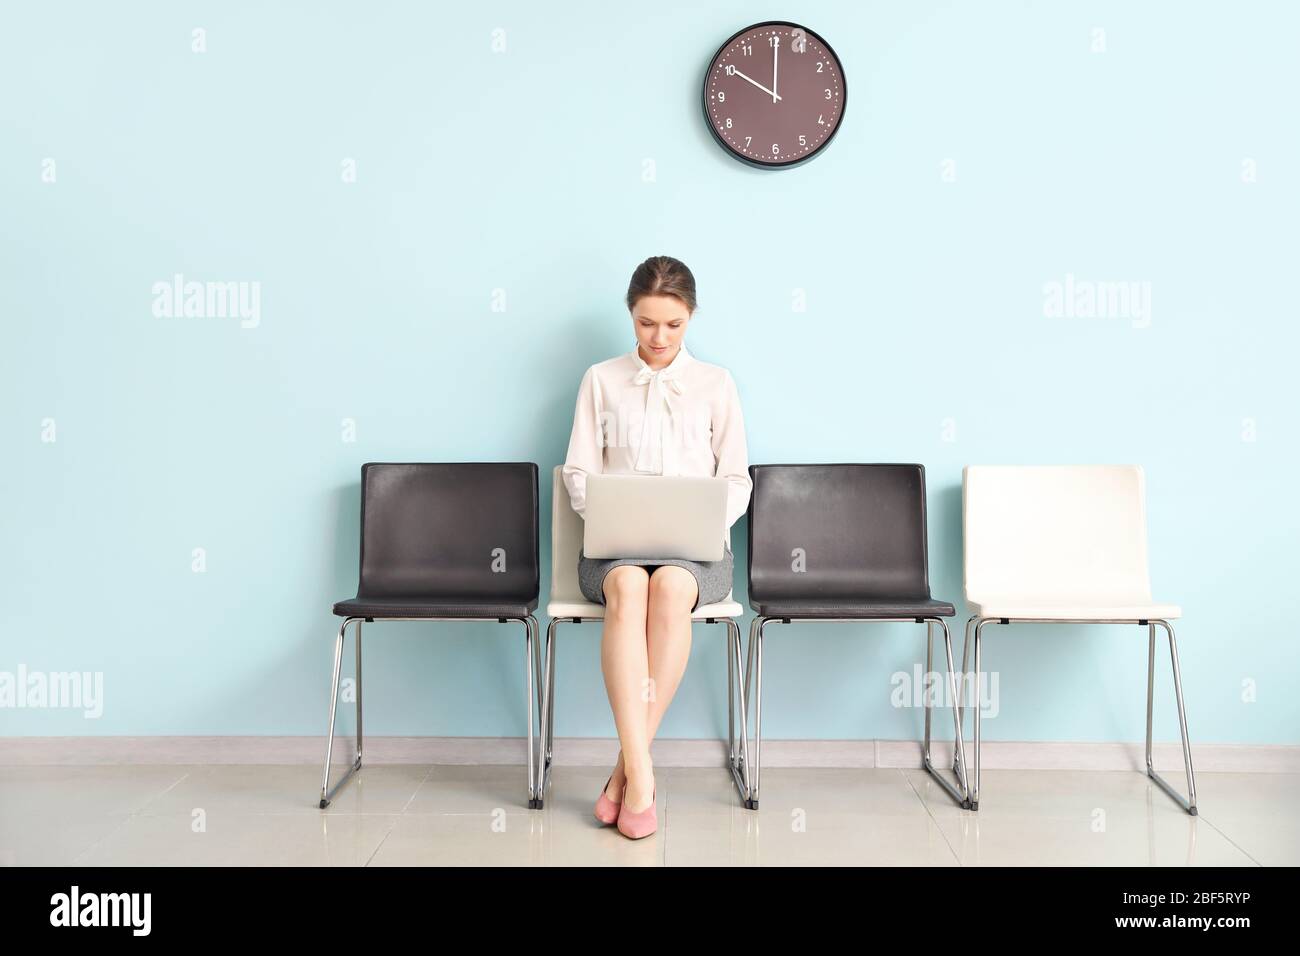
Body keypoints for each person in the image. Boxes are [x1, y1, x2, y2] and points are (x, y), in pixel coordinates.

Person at [561, 255, 752, 839]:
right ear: (631, 316)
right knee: (629, 583)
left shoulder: (716, 383)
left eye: (672, 324)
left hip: (697, 557)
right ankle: (640, 772)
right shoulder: (601, 379)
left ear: (689, 316)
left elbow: (737, 480)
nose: (659, 337)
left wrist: (700, 519)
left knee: (668, 585)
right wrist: (616, 514)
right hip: (613, 551)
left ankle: (626, 771)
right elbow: (577, 473)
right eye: (647, 324)